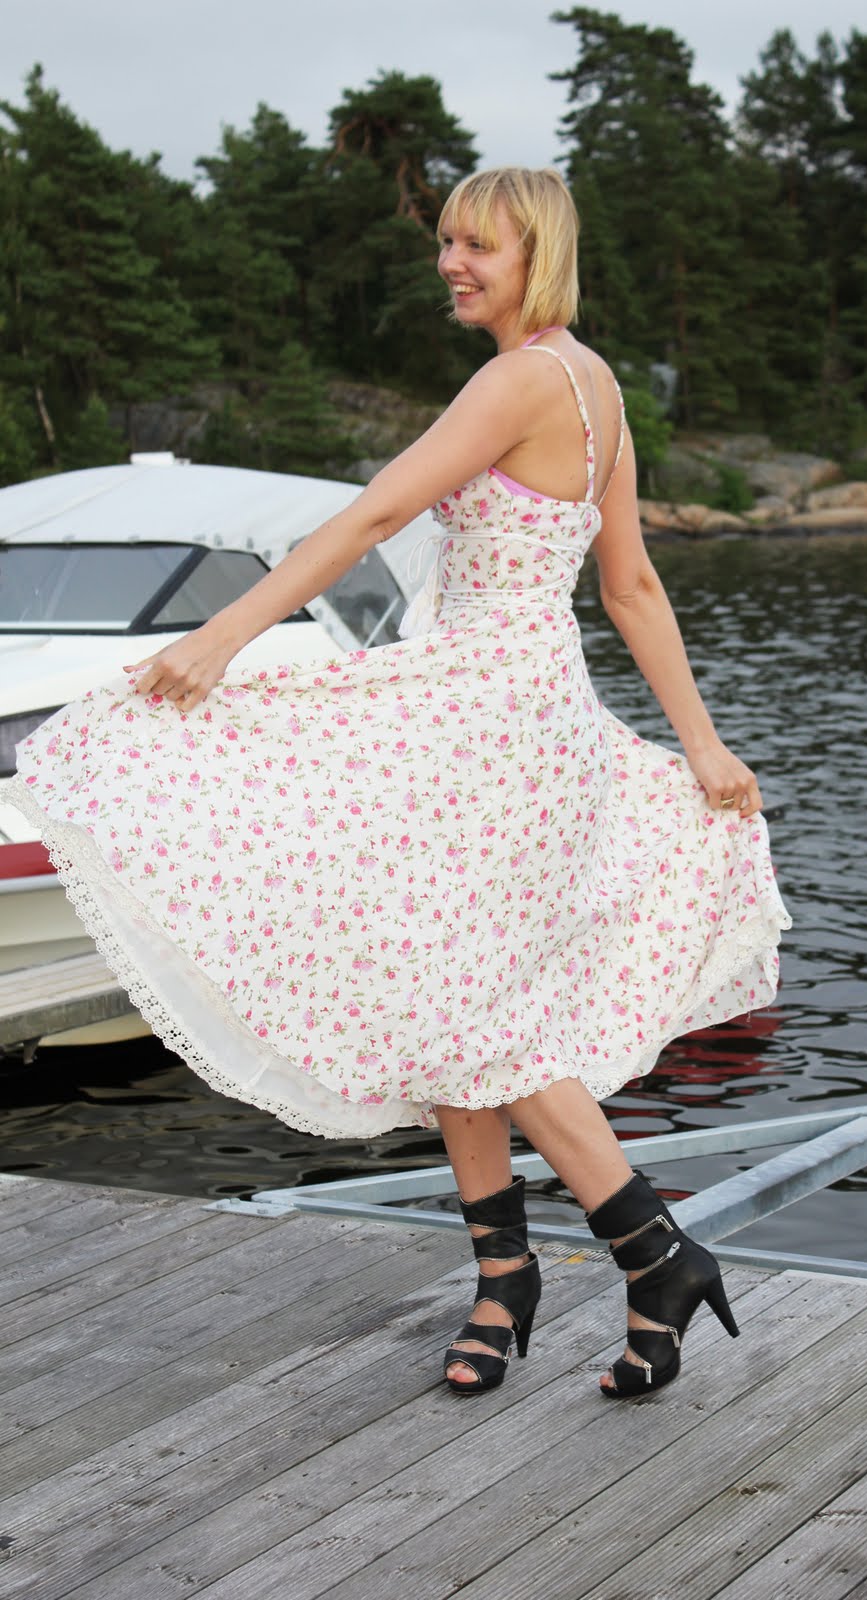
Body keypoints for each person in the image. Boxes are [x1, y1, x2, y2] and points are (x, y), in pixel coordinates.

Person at [3, 166, 790, 1397]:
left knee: (471, 1010)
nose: (452, 264)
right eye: (444, 244)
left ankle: (650, 1251)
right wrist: (697, 742)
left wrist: (222, 637)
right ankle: (509, 1276)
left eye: (477, 244)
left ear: (537, 248)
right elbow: (624, 587)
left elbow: (371, 518)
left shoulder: (519, 378)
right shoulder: (595, 386)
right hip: (527, 715)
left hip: (481, 718)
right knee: (441, 985)